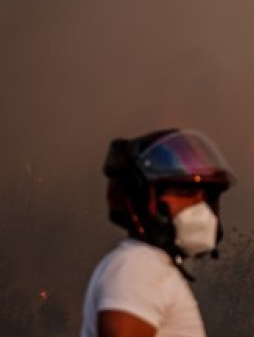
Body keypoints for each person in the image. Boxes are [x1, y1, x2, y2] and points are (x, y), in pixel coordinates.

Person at [79, 128, 235, 337]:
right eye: (185, 191)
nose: (200, 204)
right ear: (143, 197)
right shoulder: (139, 266)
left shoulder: (151, 267)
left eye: (207, 195)